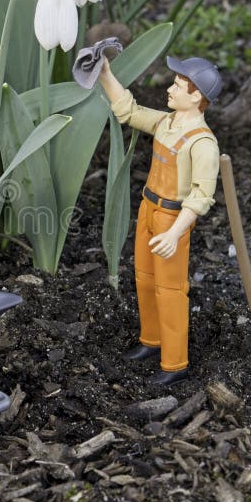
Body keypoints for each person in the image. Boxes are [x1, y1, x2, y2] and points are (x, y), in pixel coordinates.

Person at [98, 56, 222, 386]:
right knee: (145, 278)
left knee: (170, 289)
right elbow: (129, 112)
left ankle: (174, 362)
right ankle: (151, 341)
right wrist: (106, 75)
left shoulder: (203, 143)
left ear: (196, 97)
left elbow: (201, 197)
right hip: (148, 208)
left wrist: (176, 233)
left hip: (172, 218)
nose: (169, 89)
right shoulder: (166, 123)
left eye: (178, 86)